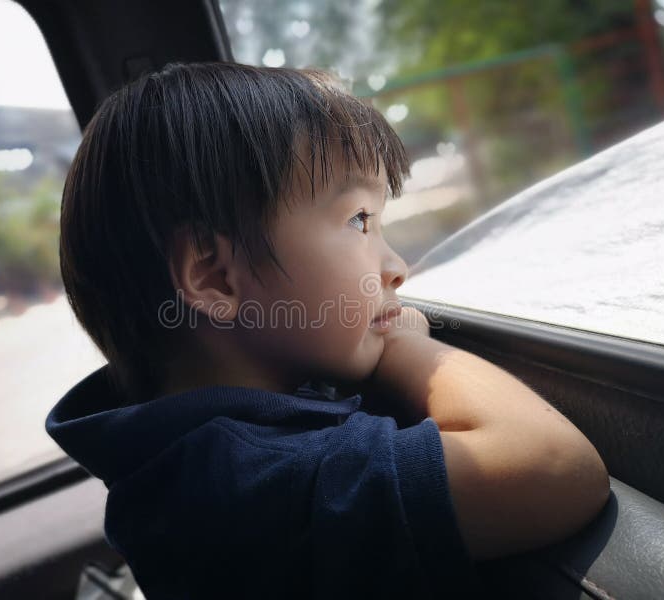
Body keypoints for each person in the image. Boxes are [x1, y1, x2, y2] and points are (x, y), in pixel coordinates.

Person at [46, 62, 610, 599]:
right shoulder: (255, 486)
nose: (396, 266)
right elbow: (558, 469)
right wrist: (407, 345)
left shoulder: (208, 453)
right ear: (215, 277)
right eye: (359, 220)